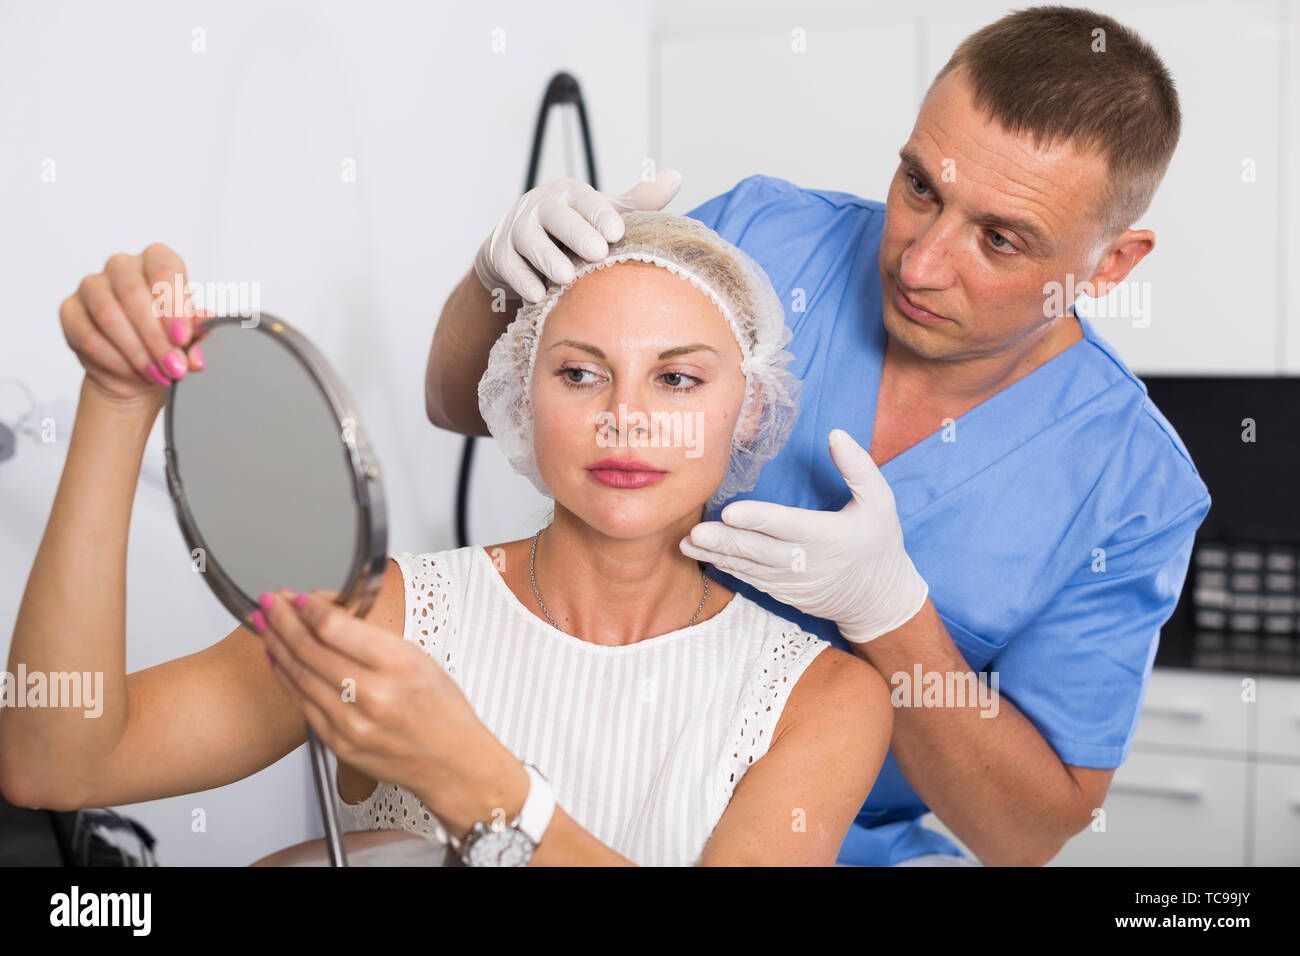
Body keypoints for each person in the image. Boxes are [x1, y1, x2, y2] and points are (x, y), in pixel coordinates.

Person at [425, 6, 1212, 866]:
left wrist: (891, 616)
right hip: (580, 787)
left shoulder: (1132, 487)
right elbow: (465, 403)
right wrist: (497, 276)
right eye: (920, 187)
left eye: (998, 240)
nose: (918, 264)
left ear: (1111, 265)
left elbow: (1023, 833)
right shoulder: (766, 240)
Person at [0, 213, 893, 867]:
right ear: (516, 394)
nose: (627, 421)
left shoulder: (822, 700)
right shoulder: (383, 615)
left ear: (752, 410)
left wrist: (478, 785)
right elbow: (56, 763)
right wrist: (116, 406)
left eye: (678, 380)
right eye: (580, 373)